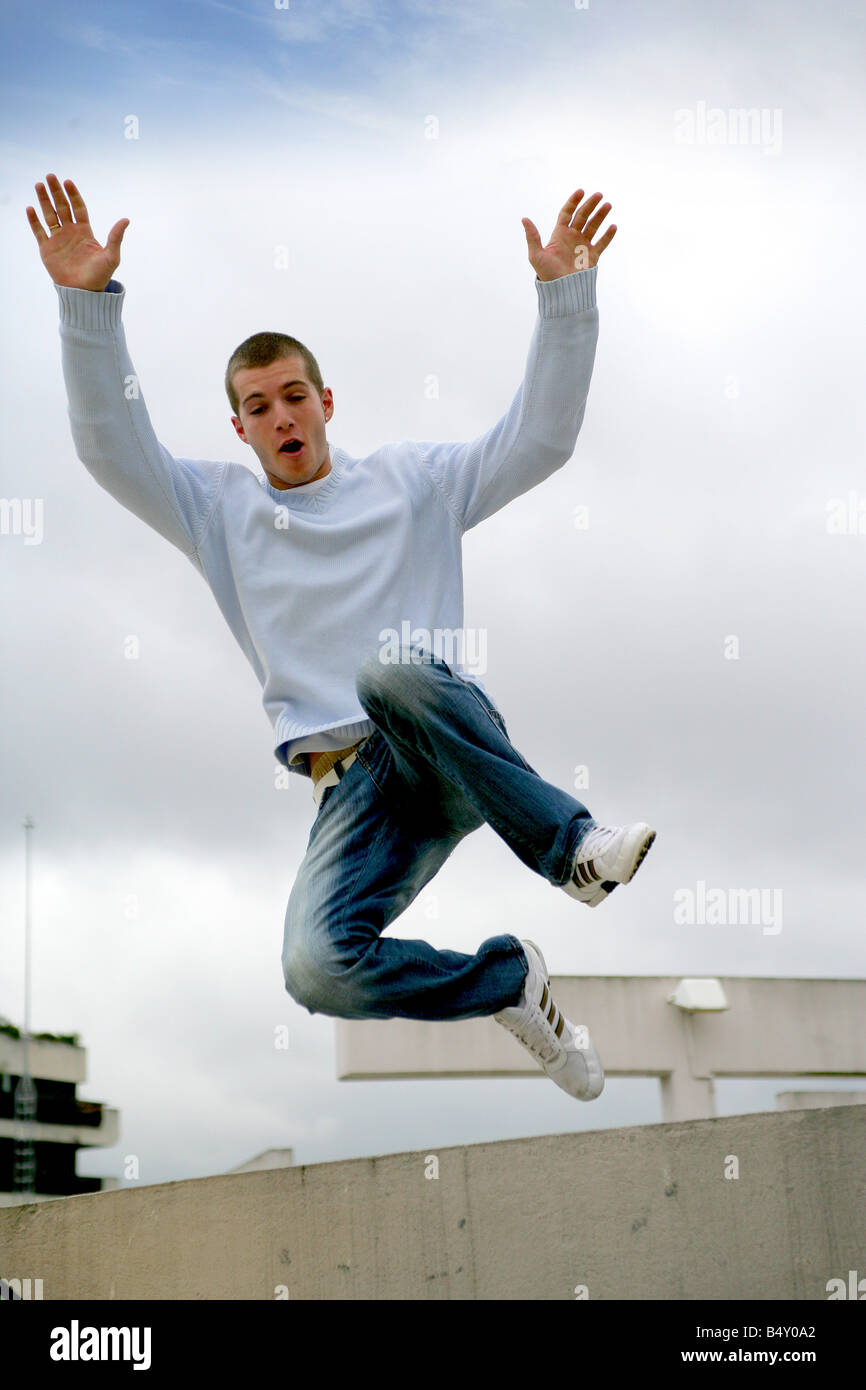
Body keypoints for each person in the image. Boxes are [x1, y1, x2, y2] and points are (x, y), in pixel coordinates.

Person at [27, 172, 655, 1102]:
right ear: (237, 427)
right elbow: (112, 450)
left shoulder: (416, 482)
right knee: (317, 968)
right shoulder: (215, 508)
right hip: (355, 796)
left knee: (389, 667)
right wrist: (86, 308)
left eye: (295, 397)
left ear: (328, 401)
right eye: (260, 406)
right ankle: (506, 983)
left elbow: (541, 440)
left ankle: (572, 849)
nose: (282, 417)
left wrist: (564, 299)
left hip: (441, 741)